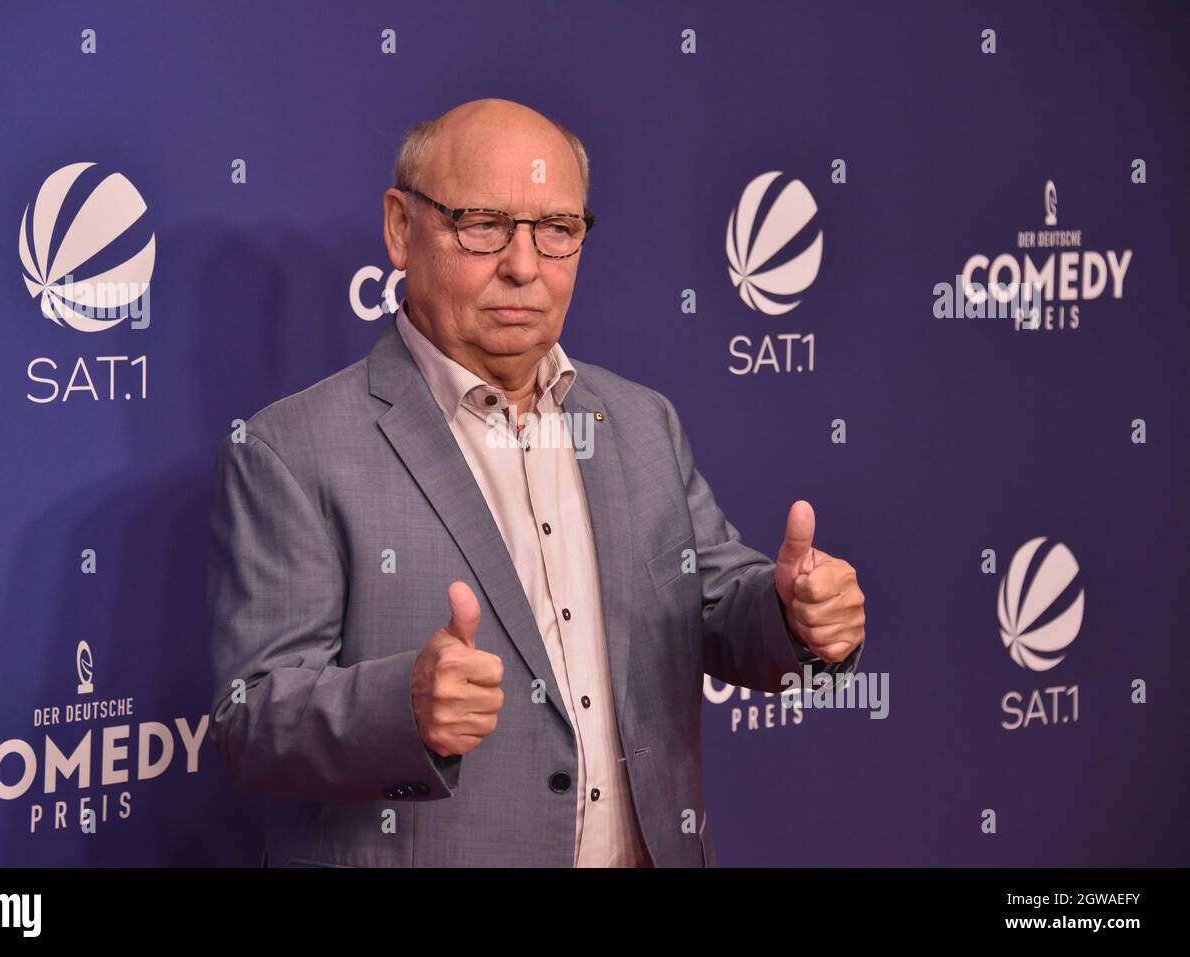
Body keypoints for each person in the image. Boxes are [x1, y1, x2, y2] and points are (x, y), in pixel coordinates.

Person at [206, 98, 866, 867]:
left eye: (557, 231)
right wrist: (403, 707)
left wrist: (796, 616)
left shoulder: (641, 420)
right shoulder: (293, 449)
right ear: (399, 228)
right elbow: (250, 718)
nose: (524, 266)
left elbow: (713, 609)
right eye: (482, 224)